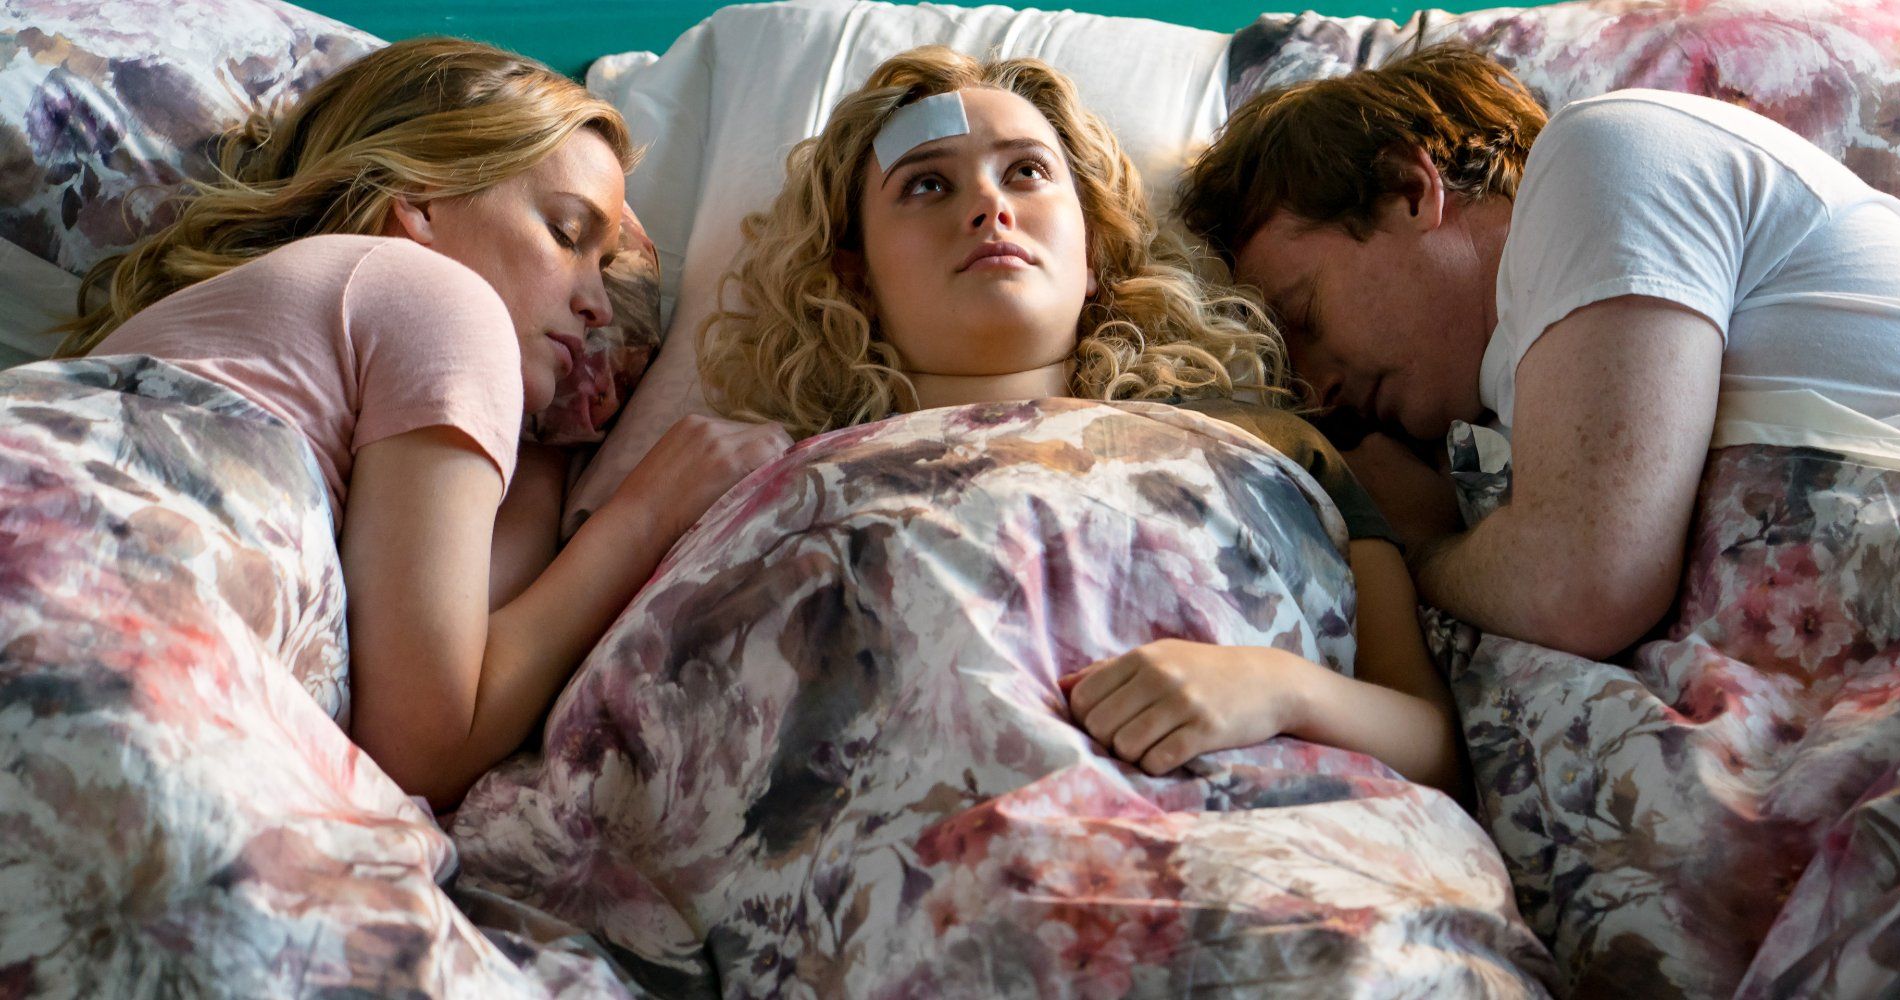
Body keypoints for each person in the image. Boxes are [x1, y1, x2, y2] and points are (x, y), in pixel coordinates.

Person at [52, 37, 792, 808]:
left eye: (604, 267)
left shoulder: (237, 322)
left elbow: (452, 641)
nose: (600, 306)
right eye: (568, 235)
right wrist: (646, 509)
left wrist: (545, 439)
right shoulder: (439, 295)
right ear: (420, 200)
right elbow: (425, 741)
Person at [699, 46, 1462, 792]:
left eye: (1026, 172)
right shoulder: (778, 483)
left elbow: (1438, 752)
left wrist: (1279, 688)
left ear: (1094, 248)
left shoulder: (1272, 448)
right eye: (928, 184)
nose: (989, 206)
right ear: (854, 275)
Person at [1176, 45, 1900, 659]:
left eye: (1304, 315)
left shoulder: (1607, 149)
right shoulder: (1502, 415)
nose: (1316, 388)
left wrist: (1416, 543)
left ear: (1407, 189)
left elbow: (1587, 585)